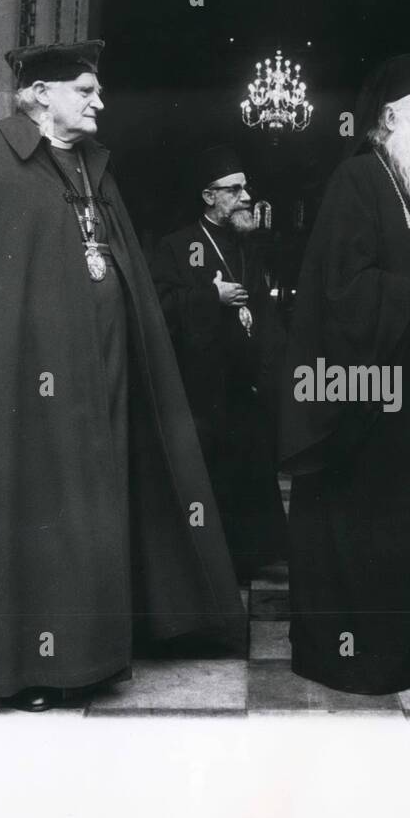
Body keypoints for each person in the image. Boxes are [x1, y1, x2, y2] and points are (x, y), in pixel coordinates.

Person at [0, 40, 245, 711]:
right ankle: (33, 666)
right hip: (22, 389)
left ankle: (93, 654)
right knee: (38, 515)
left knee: (92, 514)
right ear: (39, 95)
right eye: (85, 89)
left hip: (103, 382)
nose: (99, 101)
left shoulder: (92, 168)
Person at [279, 54, 410, 695]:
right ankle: (354, 656)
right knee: (365, 522)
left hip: (409, 397)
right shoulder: (357, 179)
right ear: (390, 119)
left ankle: (406, 647)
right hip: (359, 397)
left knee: (405, 520)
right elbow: (339, 289)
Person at [151, 145, 287, 580]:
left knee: (248, 472)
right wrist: (211, 297)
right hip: (203, 392)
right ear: (209, 197)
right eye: (235, 190)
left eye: (246, 188)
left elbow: (270, 313)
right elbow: (160, 308)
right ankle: (210, 565)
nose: (247, 197)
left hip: (248, 388)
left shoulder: (252, 246)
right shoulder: (177, 246)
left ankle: (250, 559)